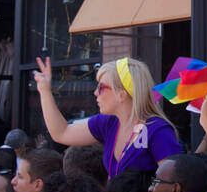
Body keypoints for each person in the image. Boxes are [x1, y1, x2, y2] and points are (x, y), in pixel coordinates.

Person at [33, 54, 183, 179]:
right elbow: (61, 132)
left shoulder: (158, 131)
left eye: (102, 87)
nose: (96, 92)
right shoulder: (108, 122)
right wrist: (44, 90)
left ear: (122, 94)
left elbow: (176, 186)